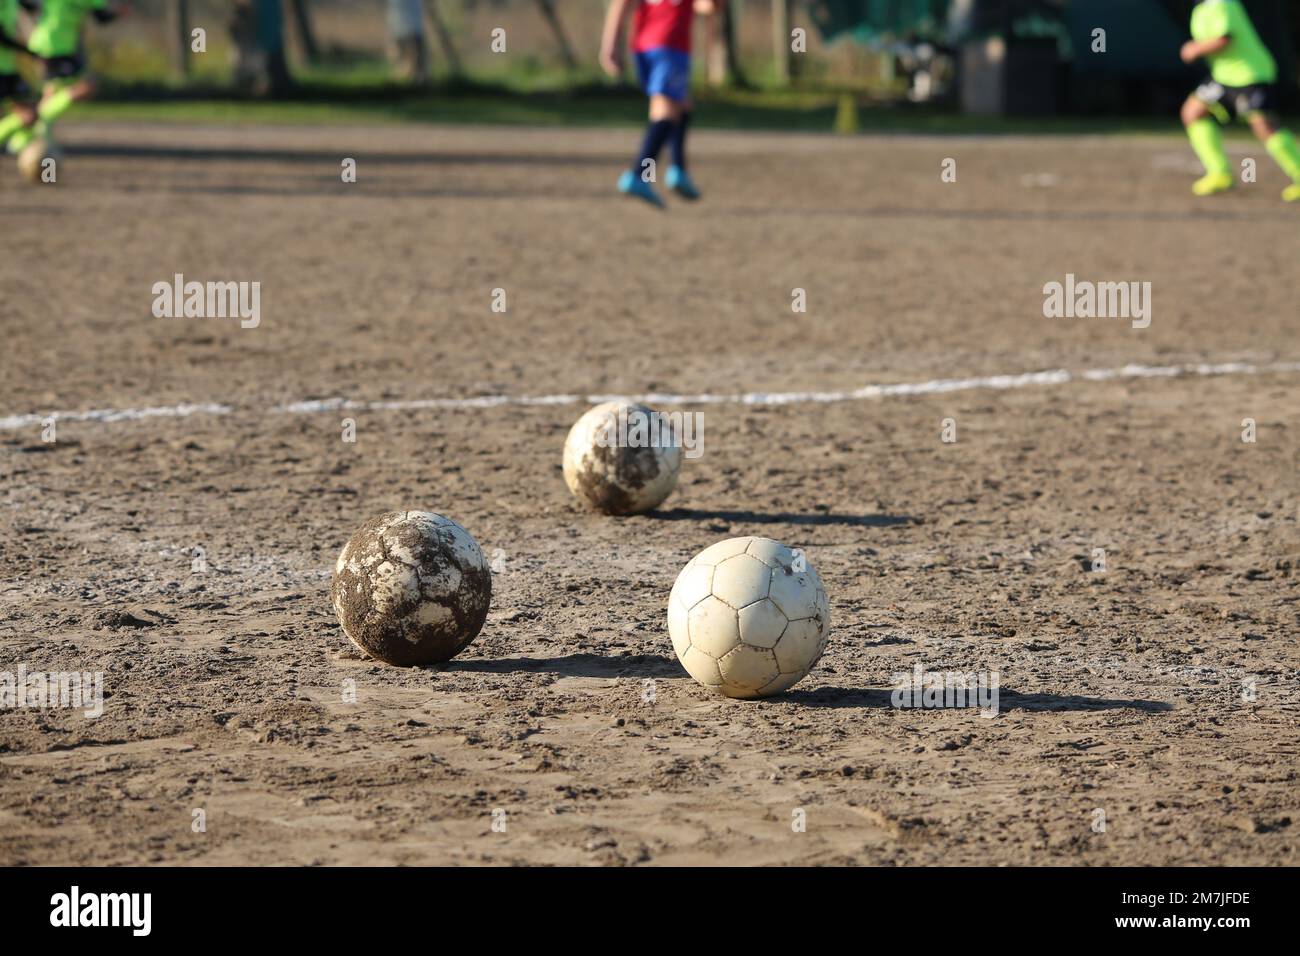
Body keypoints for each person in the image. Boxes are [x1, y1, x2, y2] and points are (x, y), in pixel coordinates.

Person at [600, 0, 719, 207]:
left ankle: (678, 170)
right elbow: (707, 6)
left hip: (644, 46)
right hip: (671, 44)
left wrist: (610, 44)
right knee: (665, 114)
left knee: (681, 105)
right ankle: (641, 175)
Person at [1179, 0, 1300, 201]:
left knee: (1264, 126)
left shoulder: (1223, 4)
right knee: (1193, 112)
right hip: (1224, 76)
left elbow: (1224, 39)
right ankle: (1220, 173)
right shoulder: (1200, 9)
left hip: (1249, 74)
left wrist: (1195, 49)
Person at [6, 0, 128, 159]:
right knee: (85, 86)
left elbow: (101, 17)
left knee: (52, 94)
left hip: (62, 49)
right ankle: (29, 134)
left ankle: (29, 138)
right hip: (51, 46)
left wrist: (118, 12)